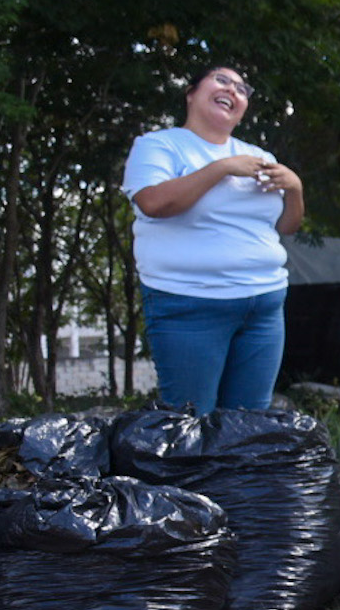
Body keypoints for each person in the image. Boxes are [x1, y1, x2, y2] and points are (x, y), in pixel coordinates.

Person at [122, 65, 304, 412]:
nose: (233, 90)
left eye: (242, 88)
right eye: (222, 80)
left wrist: (295, 187)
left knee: (249, 420)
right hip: (190, 303)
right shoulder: (160, 146)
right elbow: (155, 203)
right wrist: (221, 168)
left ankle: (241, 470)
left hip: (263, 304)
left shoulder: (261, 158)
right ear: (191, 92)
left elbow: (287, 227)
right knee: (191, 418)